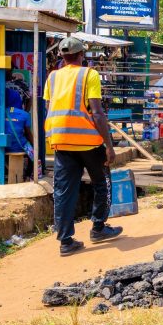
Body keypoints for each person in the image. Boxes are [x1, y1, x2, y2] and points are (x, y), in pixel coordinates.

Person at [44, 37, 121, 256]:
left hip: (60, 139)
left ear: (61, 56)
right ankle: (98, 228)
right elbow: (96, 112)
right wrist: (109, 145)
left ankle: (66, 242)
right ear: (81, 55)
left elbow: (51, 107)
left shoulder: (53, 77)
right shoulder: (90, 74)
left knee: (64, 191)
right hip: (87, 140)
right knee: (101, 182)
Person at [4, 88, 34, 180]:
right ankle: (29, 175)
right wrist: (34, 146)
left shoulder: (0, 113)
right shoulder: (24, 114)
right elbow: (28, 134)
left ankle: (6, 172)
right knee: (33, 153)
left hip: (4, 146)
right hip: (20, 146)